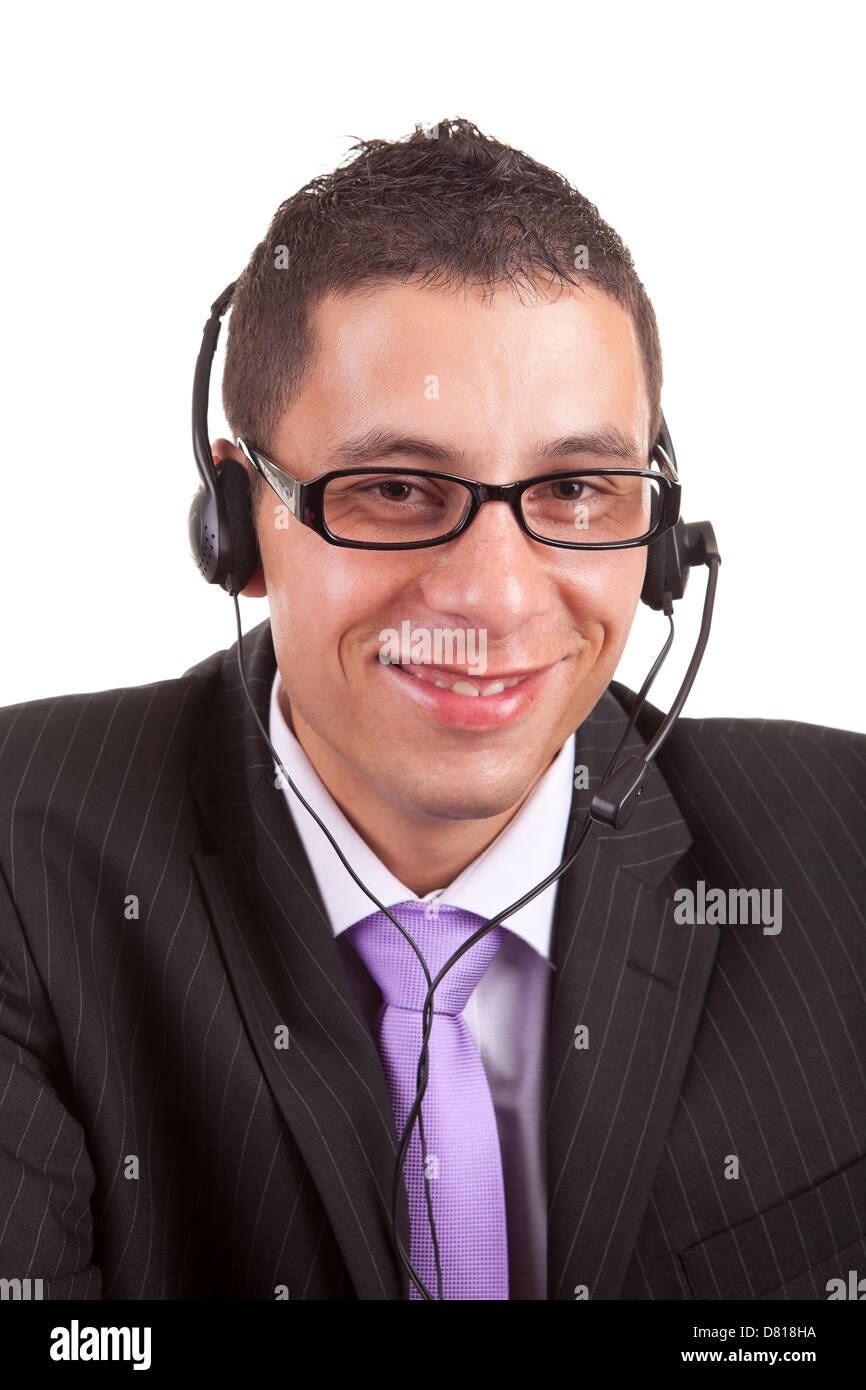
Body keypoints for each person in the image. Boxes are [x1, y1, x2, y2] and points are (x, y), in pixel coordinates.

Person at [1, 117, 863, 1302]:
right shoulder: (20, 856)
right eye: (397, 487)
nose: (497, 596)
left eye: (574, 487)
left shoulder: (845, 843)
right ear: (238, 521)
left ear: (657, 539)